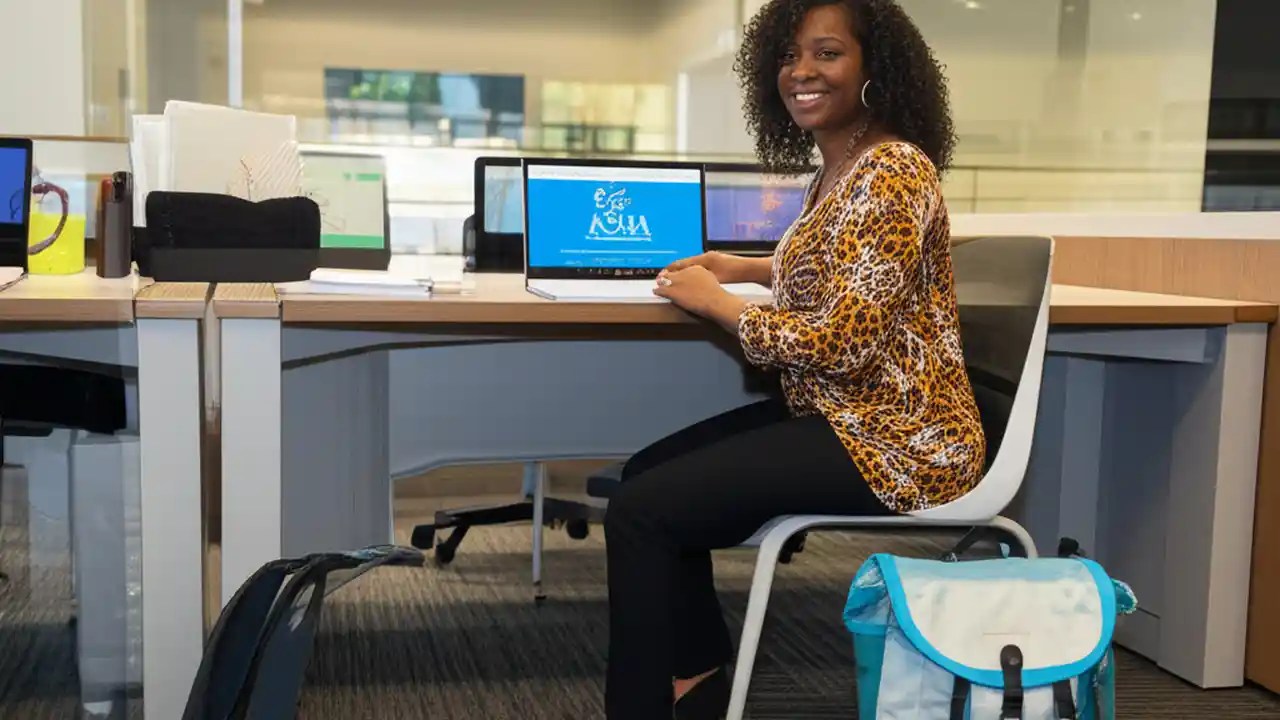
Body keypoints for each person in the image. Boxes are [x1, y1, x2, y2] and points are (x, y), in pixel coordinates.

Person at [602, 1, 986, 718]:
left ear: (877, 68)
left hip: (898, 442)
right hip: (848, 417)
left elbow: (840, 340)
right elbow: (840, 269)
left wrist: (715, 301)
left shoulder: (894, 171)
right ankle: (697, 680)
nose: (801, 72)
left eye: (827, 53)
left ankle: (658, 700)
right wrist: (742, 267)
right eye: (788, 55)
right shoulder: (844, 168)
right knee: (643, 477)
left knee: (641, 513)